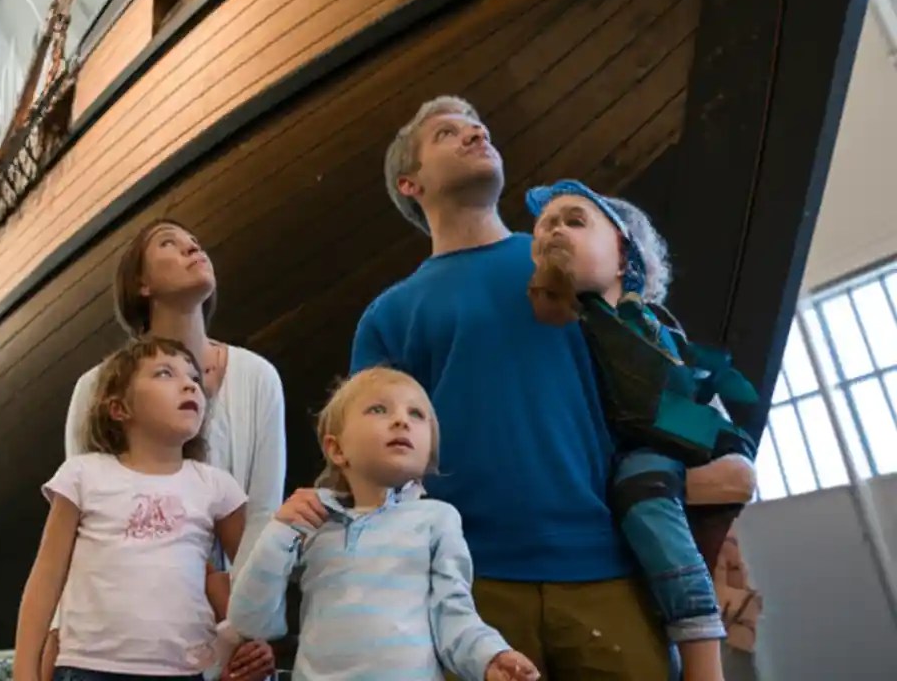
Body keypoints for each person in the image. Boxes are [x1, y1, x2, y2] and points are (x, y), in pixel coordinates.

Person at [350, 95, 754, 679]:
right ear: (410, 184)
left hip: (607, 568)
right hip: (469, 589)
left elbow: (657, 360)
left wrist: (717, 453)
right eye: (447, 133)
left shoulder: (572, 264)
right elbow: (370, 467)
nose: (475, 134)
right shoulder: (387, 317)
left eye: (478, 126)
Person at [527, 181, 761, 681]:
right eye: (544, 226)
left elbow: (703, 407)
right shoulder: (560, 328)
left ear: (622, 254)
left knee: (647, 487)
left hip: (668, 456)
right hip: (625, 477)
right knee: (645, 487)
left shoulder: (659, 329)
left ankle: (704, 662)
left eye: (574, 219)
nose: (554, 230)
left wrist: (727, 448)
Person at [44, 219, 284, 680]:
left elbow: (261, 517)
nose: (193, 247)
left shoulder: (257, 378)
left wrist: (251, 631)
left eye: (196, 241)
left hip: (223, 637)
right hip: (113, 645)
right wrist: (52, 645)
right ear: (142, 285)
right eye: (170, 243)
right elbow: (80, 528)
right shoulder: (94, 388)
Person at [229, 367, 541, 681]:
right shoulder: (311, 523)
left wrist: (489, 656)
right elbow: (252, 622)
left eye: (417, 414)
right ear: (336, 449)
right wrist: (279, 530)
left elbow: (454, 614)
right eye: (379, 409)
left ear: (430, 449)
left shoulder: (437, 519)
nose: (401, 420)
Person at [15, 337, 255, 681]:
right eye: (164, 373)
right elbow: (46, 576)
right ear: (119, 408)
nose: (189, 383)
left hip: (184, 672)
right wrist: (25, 671)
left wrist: (254, 641)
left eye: (194, 378)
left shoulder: (217, 486)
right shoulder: (83, 475)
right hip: (88, 668)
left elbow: (251, 579)